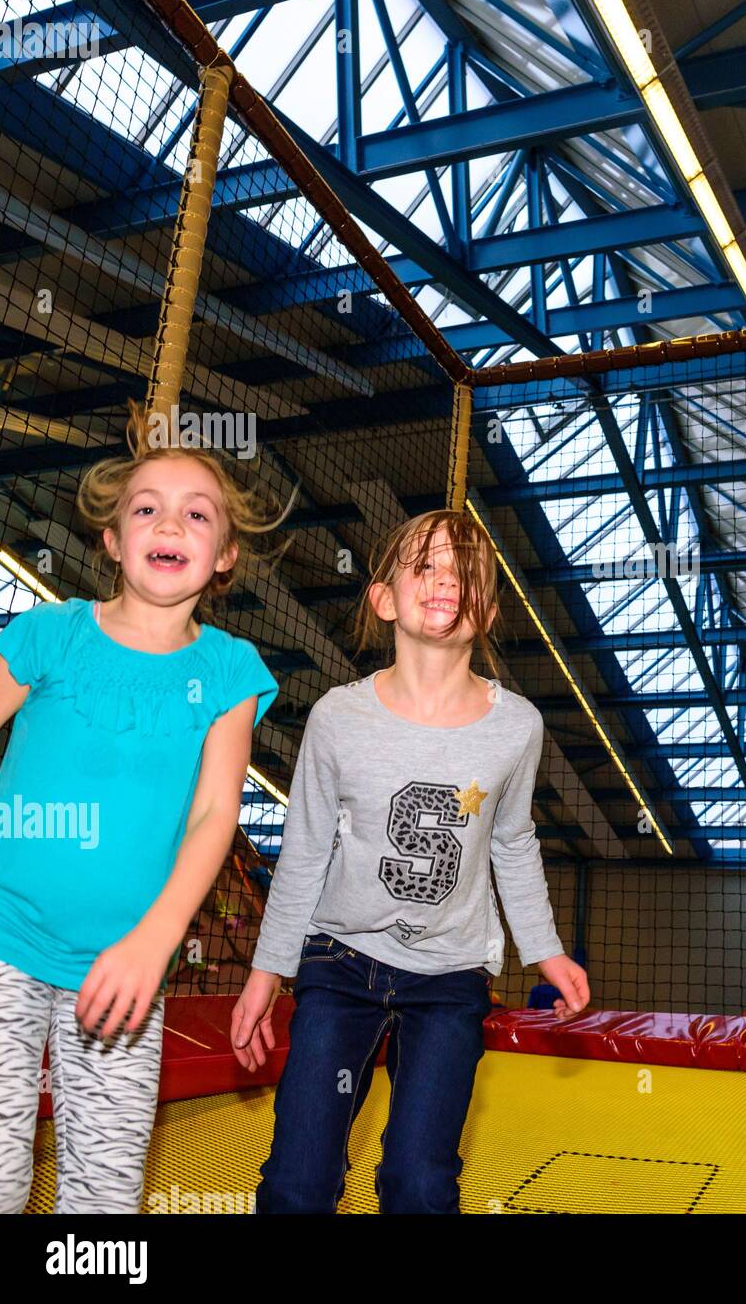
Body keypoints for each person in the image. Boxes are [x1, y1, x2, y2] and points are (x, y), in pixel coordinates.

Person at [232, 509, 590, 1214]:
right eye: (424, 565)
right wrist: (264, 972)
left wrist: (545, 951)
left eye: (464, 571)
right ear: (384, 598)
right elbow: (303, 846)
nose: (443, 579)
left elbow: (513, 841)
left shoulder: (516, 726)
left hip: (450, 978)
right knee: (298, 1181)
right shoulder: (339, 717)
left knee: (420, 1183)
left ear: (485, 608)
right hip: (340, 963)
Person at [0, 400, 282, 1212]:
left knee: (106, 1191)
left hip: (126, 964)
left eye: (197, 515)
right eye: (147, 508)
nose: (171, 522)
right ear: (115, 541)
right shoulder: (50, 635)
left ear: (222, 556)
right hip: (2, 935)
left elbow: (212, 816)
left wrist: (156, 941)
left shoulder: (230, 669)